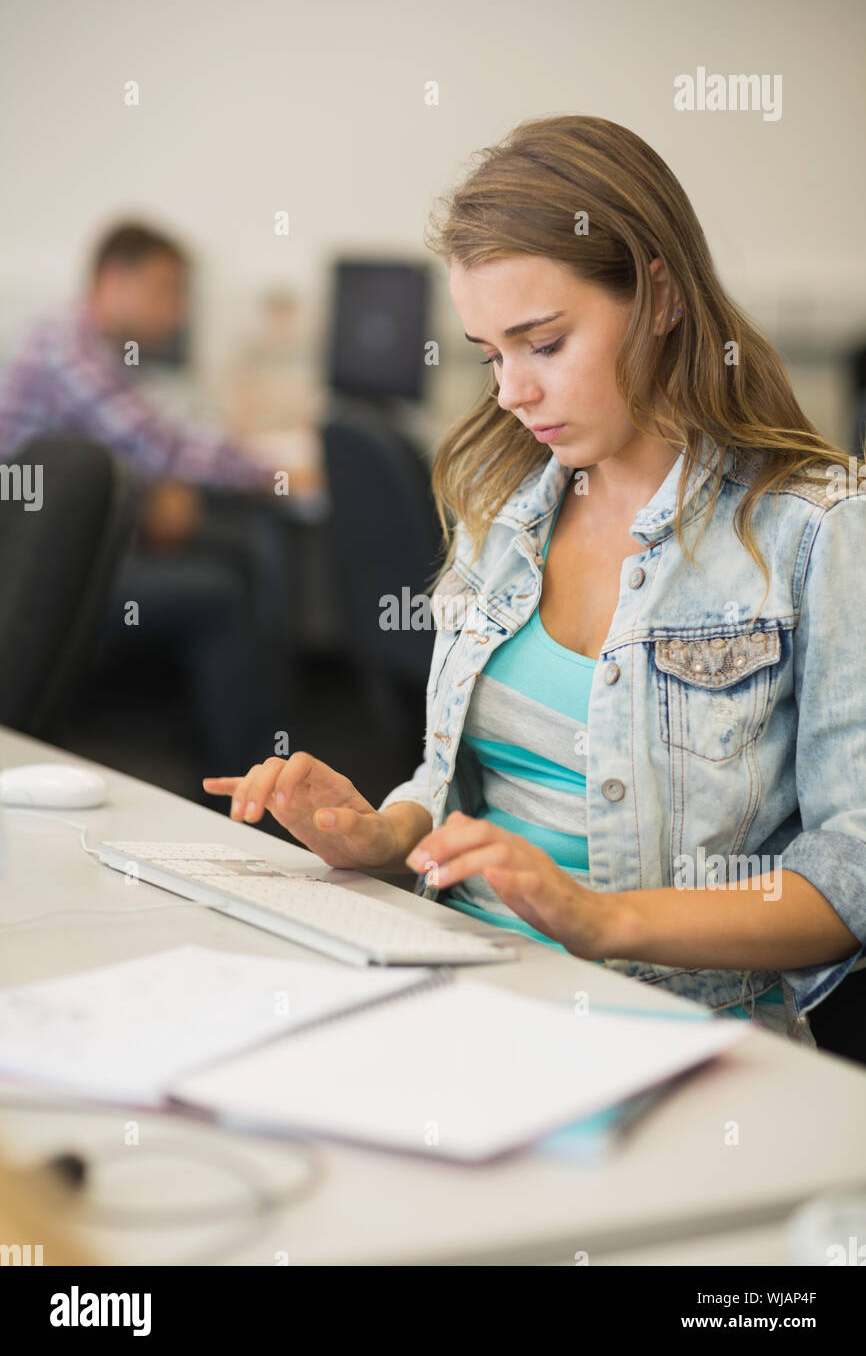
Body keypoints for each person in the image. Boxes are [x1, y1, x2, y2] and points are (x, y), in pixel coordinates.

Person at [203, 114, 866, 1046]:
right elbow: (453, 777)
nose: (511, 392)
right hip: (458, 980)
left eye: (544, 343)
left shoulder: (818, 526)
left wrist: (603, 920)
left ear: (662, 296)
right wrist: (384, 834)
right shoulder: (504, 504)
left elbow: (851, 875)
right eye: (490, 354)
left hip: (668, 1029)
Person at [0, 221, 296, 774]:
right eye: (167, 289)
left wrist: (165, 490)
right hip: (31, 579)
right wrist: (271, 472)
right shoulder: (66, 353)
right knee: (222, 594)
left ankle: (264, 755)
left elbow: (148, 447)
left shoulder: (94, 348)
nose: (178, 311)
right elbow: (158, 446)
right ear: (113, 280)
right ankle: (249, 780)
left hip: (64, 556)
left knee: (243, 546)